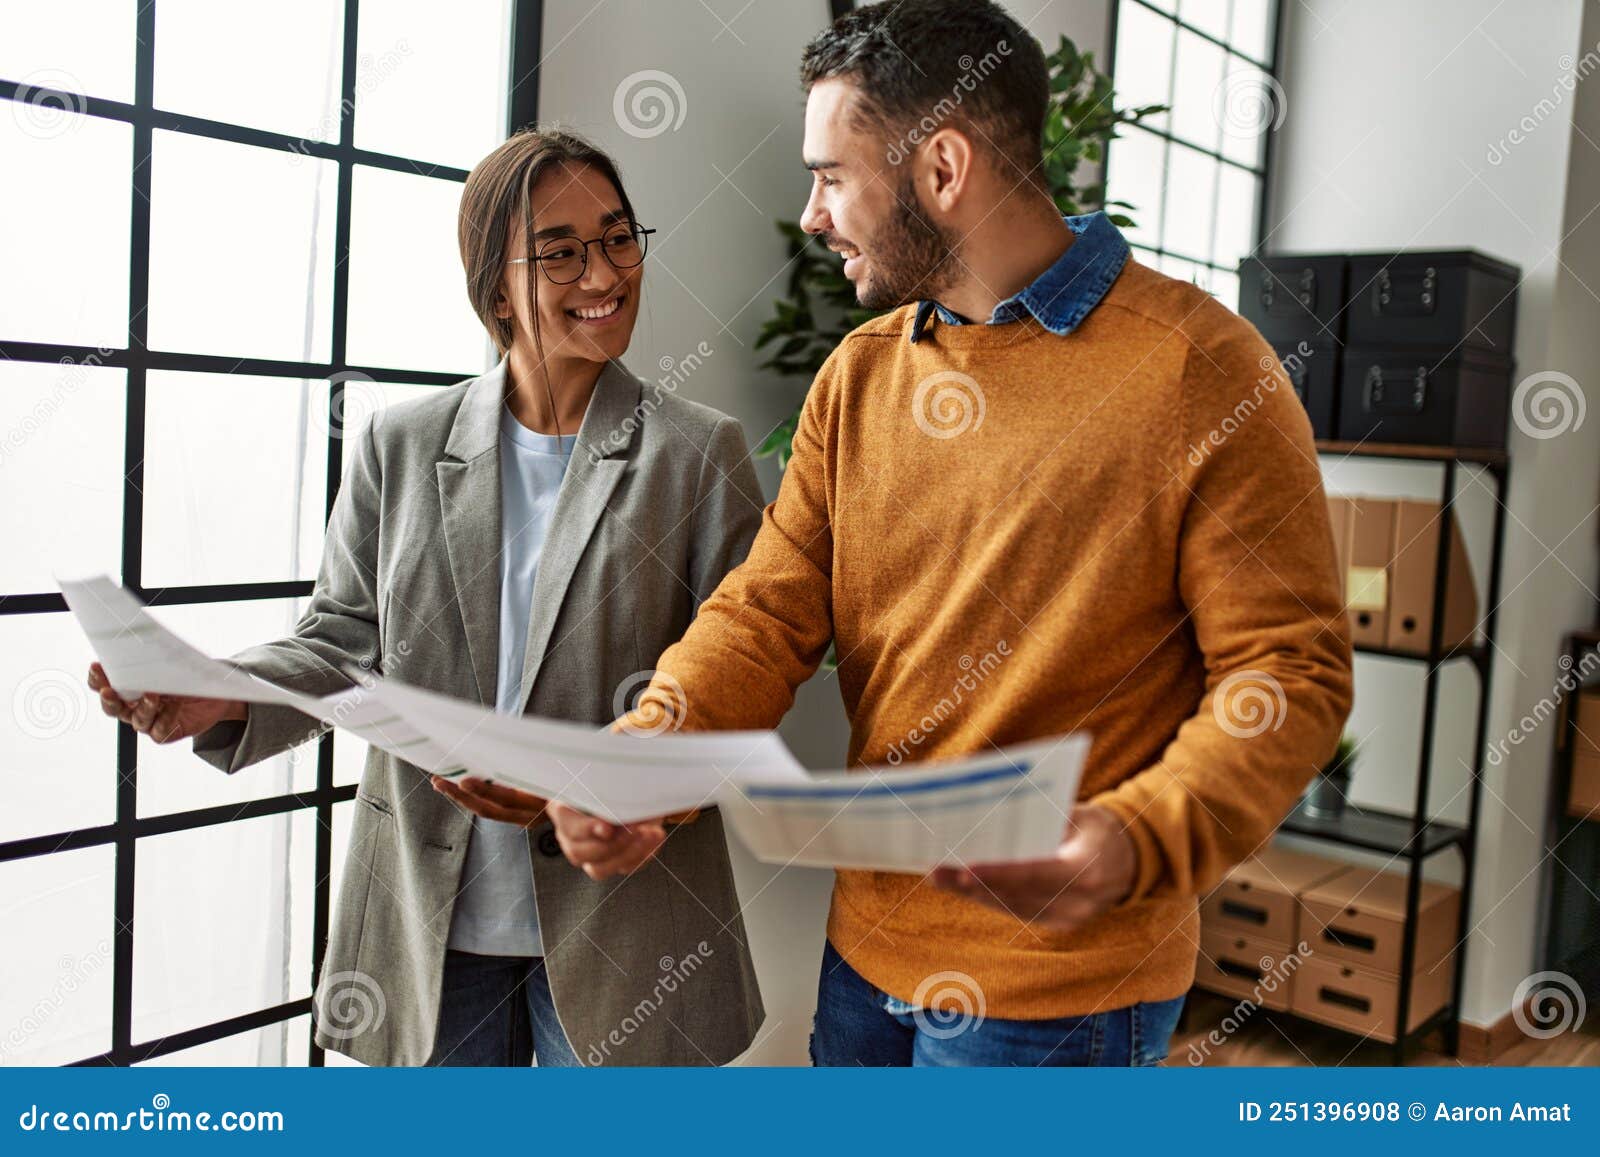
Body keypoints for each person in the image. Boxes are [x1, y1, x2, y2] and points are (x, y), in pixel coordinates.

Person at [534, 0, 1354, 1067]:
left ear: (943, 168)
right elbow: (766, 612)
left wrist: (1135, 837)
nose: (812, 215)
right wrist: (650, 749)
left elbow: (1288, 671)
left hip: (1062, 993)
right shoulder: (861, 372)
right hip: (865, 957)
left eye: (832, 176)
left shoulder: (1201, 368)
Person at [87, 128, 768, 1067]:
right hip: (430, 924)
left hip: (631, 922)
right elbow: (338, 643)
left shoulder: (696, 451)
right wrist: (223, 693)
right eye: (561, 252)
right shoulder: (399, 444)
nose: (604, 272)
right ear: (497, 291)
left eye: (618, 237)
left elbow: (736, 680)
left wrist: (609, 787)